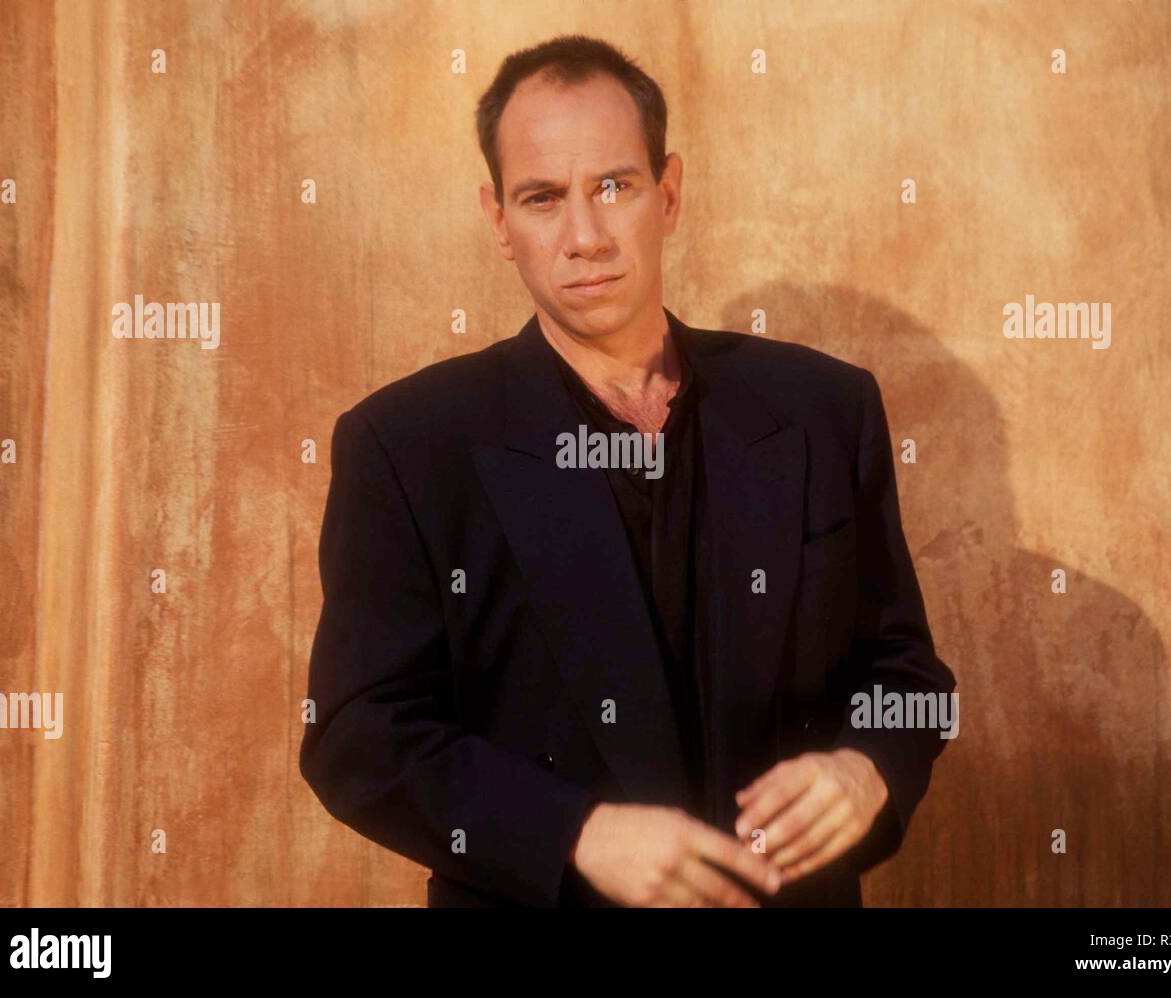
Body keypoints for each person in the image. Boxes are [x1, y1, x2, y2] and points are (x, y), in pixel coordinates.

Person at [299, 33, 956, 907]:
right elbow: (358, 736)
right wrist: (575, 832)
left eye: (614, 186)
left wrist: (867, 766)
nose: (585, 235)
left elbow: (905, 675)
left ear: (669, 194)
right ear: (499, 222)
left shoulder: (826, 408)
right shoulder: (406, 444)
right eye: (543, 198)